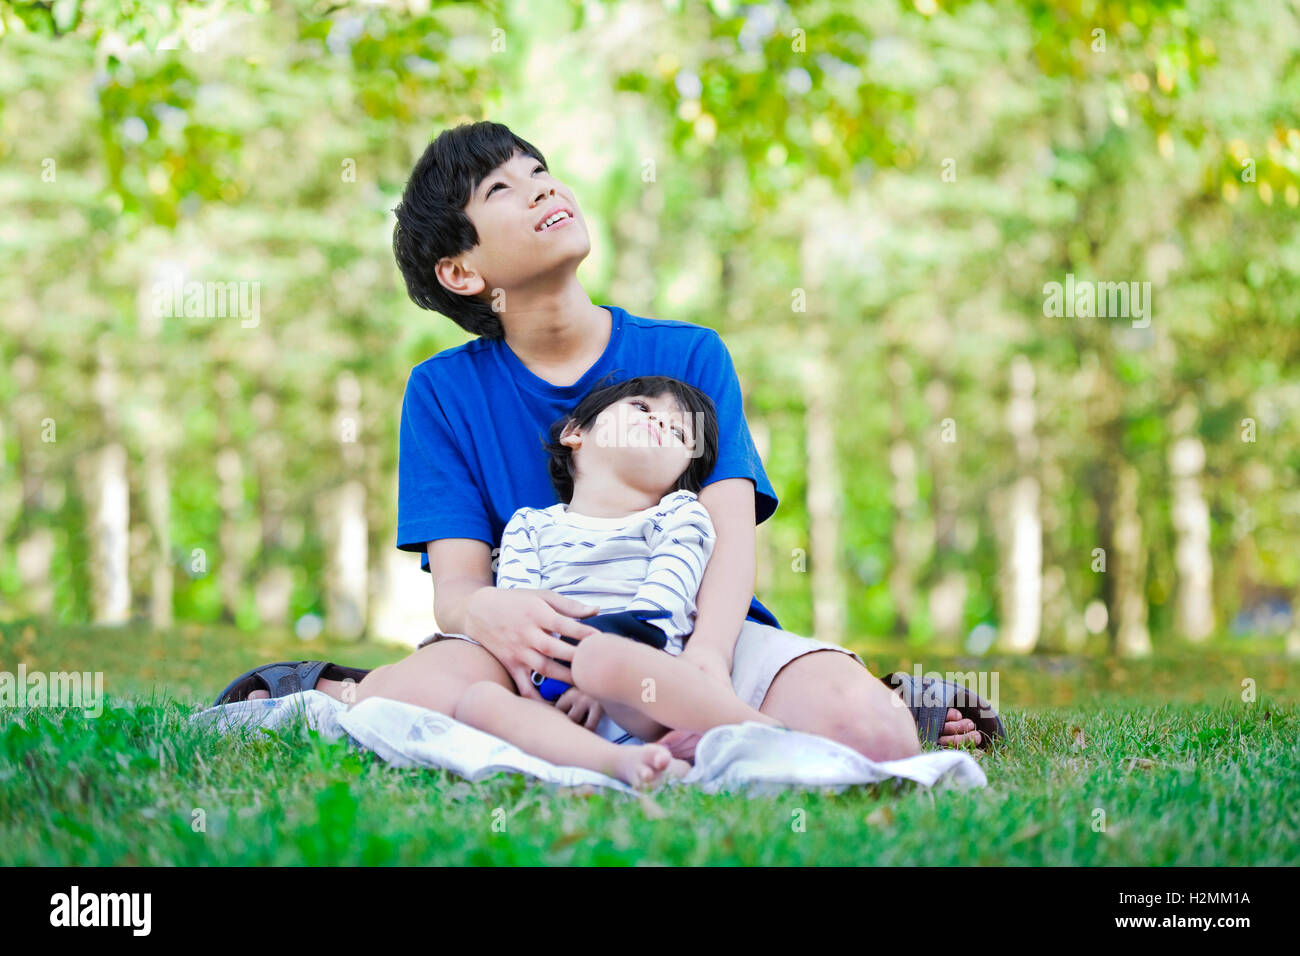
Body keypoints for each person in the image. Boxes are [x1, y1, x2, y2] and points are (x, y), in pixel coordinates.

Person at [225, 120, 994, 757]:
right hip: (531, 655)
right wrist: (489, 620)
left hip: (693, 636)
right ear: (461, 272)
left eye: (540, 170)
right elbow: (457, 589)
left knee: (873, 735)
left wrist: (703, 666)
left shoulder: (689, 355)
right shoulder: (442, 392)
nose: (543, 186)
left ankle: (855, 696)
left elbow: (729, 543)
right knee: (403, 700)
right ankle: (332, 687)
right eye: (503, 189)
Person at [450, 374, 791, 787]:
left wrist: (594, 676)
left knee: (602, 660)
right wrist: (552, 676)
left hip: (644, 682)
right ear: (576, 433)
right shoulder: (529, 525)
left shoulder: (679, 514)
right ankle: (622, 764)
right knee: (477, 702)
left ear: (683, 472)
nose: (659, 424)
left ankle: (767, 734)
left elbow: (663, 606)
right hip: (550, 687)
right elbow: (519, 609)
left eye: (680, 432)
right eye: (643, 408)